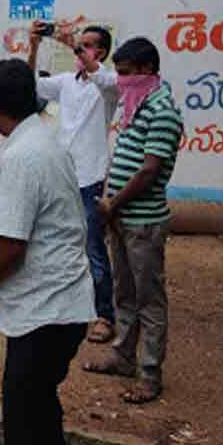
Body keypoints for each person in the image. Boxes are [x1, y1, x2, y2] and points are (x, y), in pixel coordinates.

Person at [0, 58, 95, 445]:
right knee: (39, 407)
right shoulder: (48, 142)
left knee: (22, 420)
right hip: (64, 301)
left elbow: (13, 244)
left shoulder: (21, 156)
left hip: (46, 310)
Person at [83, 37, 183, 406]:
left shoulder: (162, 111)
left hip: (143, 221)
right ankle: (124, 356)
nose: (119, 81)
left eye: (124, 74)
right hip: (123, 218)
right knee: (124, 292)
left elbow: (149, 170)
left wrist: (112, 203)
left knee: (149, 299)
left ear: (145, 71)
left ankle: (150, 373)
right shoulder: (137, 105)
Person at [28, 21, 120, 343]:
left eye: (88, 45)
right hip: (62, 175)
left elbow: (105, 78)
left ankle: (105, 315)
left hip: (90, 176)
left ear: (103, 52)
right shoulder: (67, 81)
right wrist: (34, 44)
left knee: (92, 246)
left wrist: (72, 45)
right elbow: (31, 85)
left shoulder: (108, 84)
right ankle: (68, 307)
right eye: (81, 45)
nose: (81, 51)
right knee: (59, 242)